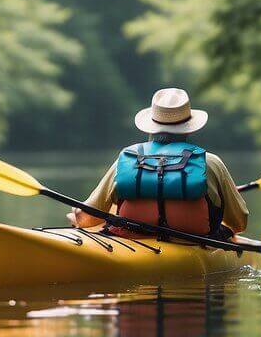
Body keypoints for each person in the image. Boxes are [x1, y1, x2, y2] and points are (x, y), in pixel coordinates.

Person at [68, 88, 249, 239]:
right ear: (189, 127)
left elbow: (86, 219)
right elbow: (239, 223)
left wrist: (76, 215)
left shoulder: (127, 158)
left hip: (133, 244)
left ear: (151, 125)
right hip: (192, 246)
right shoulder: (211, 162)